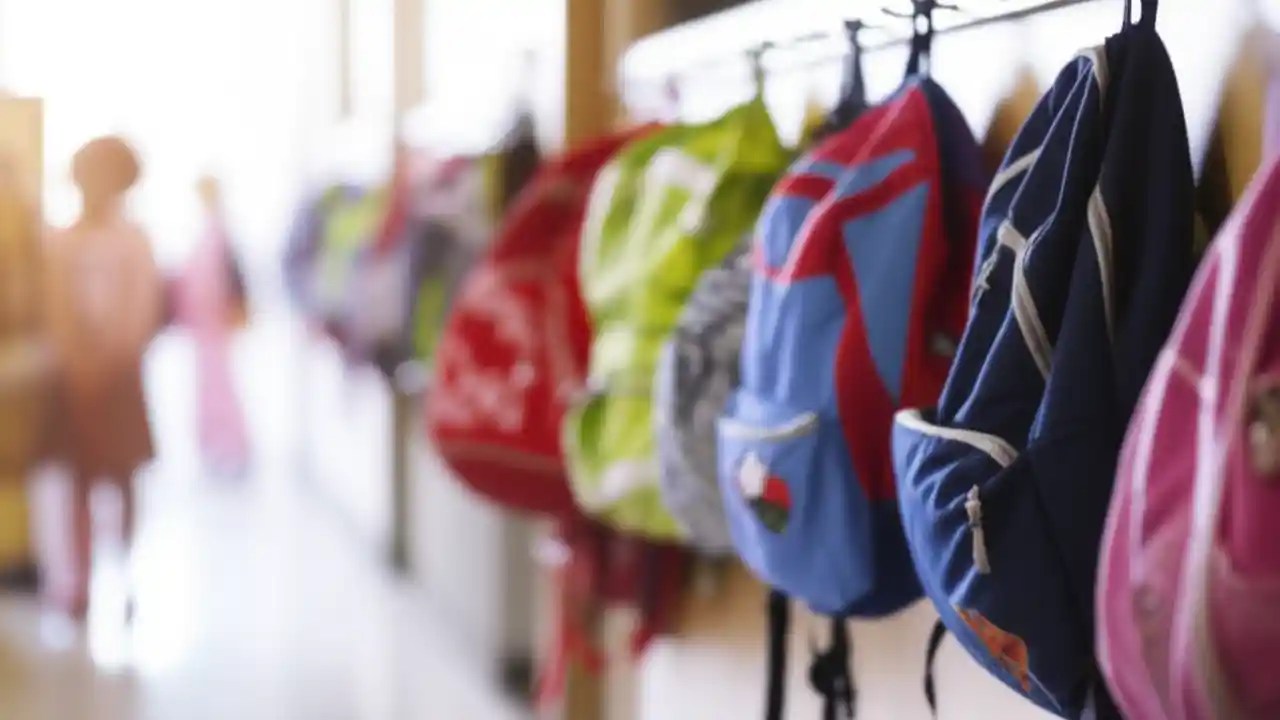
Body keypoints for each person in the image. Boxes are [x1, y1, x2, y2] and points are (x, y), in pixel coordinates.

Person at [42, 136, 160, 620]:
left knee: (123, 478)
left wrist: (114, 353)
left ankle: (126, 571)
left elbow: (142, 308)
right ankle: (80, 577)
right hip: (75, 376)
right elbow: (54, 307)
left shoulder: (132, 241)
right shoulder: (63, 242)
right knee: (79, 481)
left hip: (119, 372)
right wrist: (75, 358)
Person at [178, 175, 249, 476]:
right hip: (204, 325)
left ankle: (231, 445)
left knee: (221, 388)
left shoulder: (220, 231)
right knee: (210, 387)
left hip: (216, 323)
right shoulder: (208, 231)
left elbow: (232, 279)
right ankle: (216, 445)